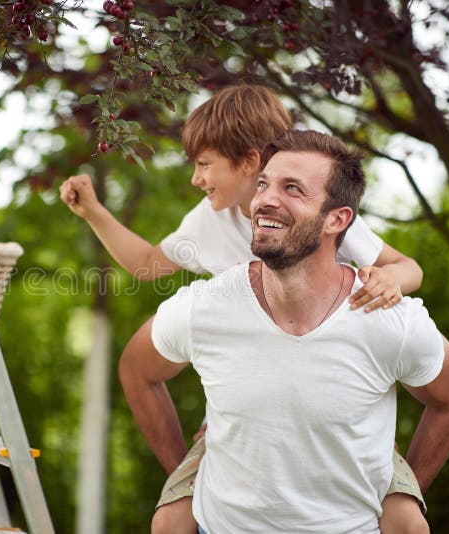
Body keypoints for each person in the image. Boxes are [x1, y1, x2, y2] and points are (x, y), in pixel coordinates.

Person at [59, 85, 426, 532]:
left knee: (407, 521)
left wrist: (391, 280)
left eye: (204, 164)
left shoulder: (318, 215)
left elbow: (407, 267)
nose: (196, 178)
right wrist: (94, 212)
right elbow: (147, 264)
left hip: (337, 420)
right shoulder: (208, 220)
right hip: (245, 418)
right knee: (171, 520)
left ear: (250, 162)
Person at [148, 129, 449, 532]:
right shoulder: (202, 308)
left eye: (292, 189)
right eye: (264, 183)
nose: (264, 198)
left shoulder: (385, 315)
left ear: (337, 220)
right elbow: (138, 369)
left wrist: (402, 491)